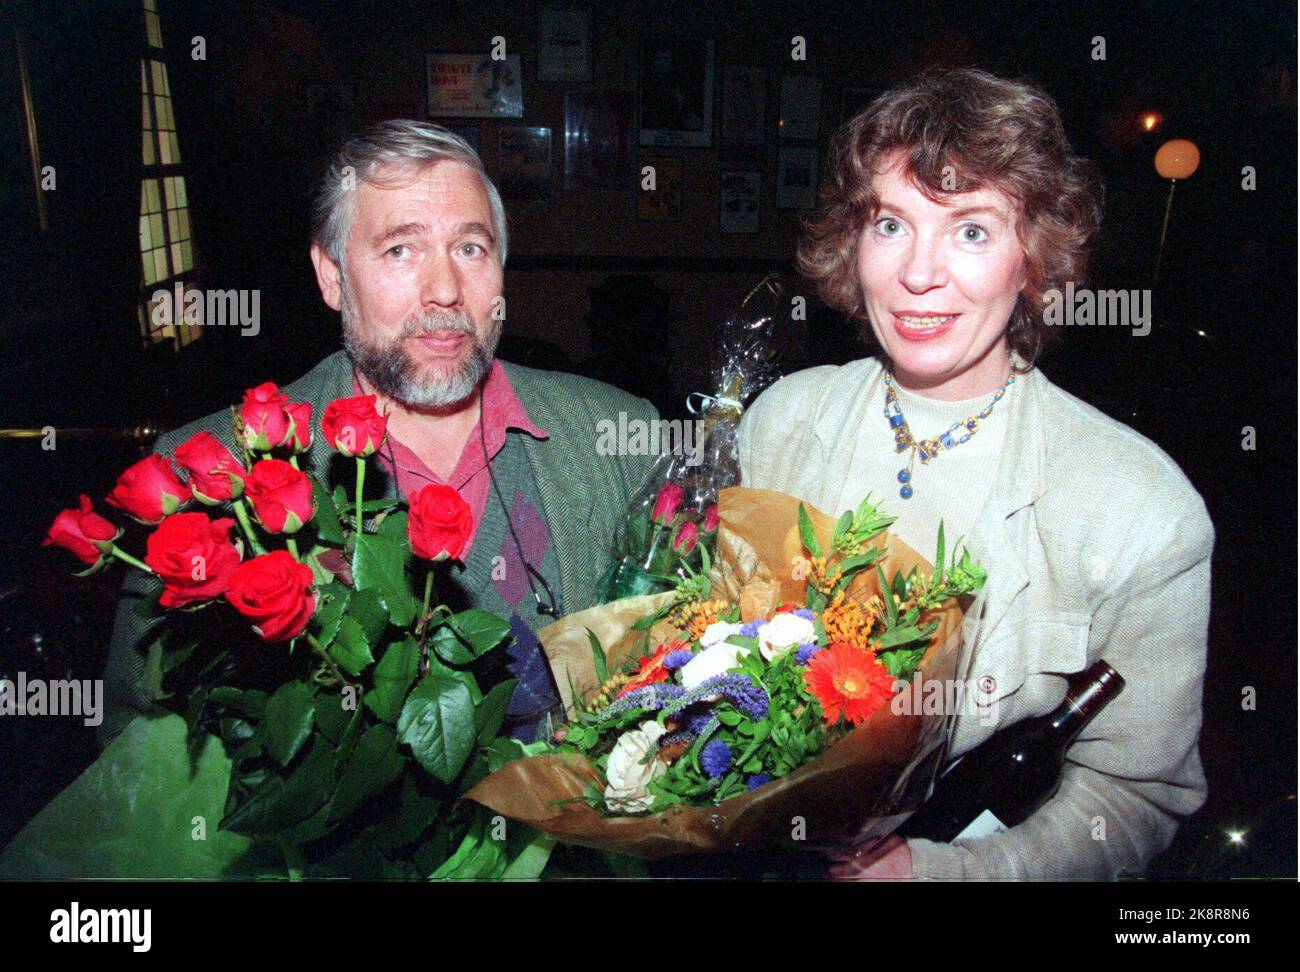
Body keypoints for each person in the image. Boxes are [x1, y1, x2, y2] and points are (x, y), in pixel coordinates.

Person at [737, 68, 1215, 880]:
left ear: (1033, 255)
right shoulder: (781, 422)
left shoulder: (1139, 506)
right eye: (891, 224)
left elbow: (1136, 800)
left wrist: (947, 874)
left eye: (970, 231)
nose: (918, 274)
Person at [100, 121, 658, 746]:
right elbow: (139, 755)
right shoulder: (206, 479)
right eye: (401, 250)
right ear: (332, 276)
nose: (446, 291)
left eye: (471, 248)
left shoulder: (624, 440)